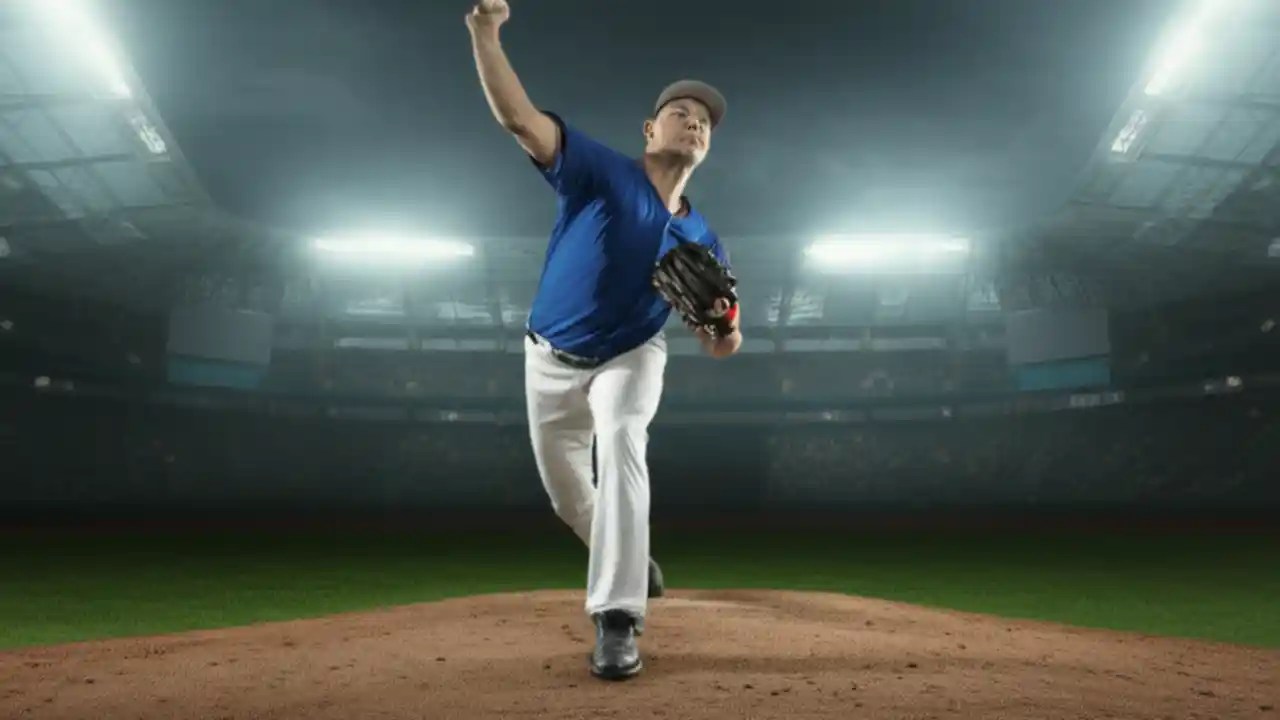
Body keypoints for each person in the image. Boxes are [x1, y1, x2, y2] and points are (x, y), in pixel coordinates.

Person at [466, 0, 743, 681]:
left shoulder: (702, 237)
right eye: (680, 112)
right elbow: (517, 119)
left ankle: (617, 618)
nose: (694, 122)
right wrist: (484, 32)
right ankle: (628, 554)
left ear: (709, 146)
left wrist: (724, 325)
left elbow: (720, 344)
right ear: (650, 129)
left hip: (632, 353)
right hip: (548, 357)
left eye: (703, 121)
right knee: (568, 497)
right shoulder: (598, 170)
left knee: (622, 436)